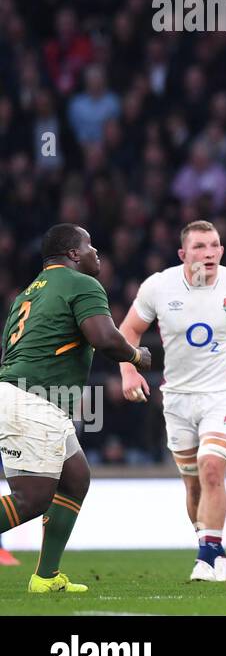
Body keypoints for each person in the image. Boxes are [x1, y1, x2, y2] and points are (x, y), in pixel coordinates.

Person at [119, 219, 226, 581]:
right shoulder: (159, 287)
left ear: (222, 251)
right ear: (183, 254)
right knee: (193, 483)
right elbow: (128, 330)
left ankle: (207, 556)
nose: (208, 252)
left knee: (212, 467)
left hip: (224, 394)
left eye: (214, 245)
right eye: (199, 246)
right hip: (178, 398)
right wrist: (129, 370)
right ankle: (212, 546)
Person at [0, 224, 152, 593]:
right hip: (33, 400)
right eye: (89, 245)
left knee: (75, 478)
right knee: (32, 497)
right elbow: (103, 338)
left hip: (27, 396)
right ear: (72, 253)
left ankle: (45, 577)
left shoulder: (27, 295)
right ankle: (45, 576)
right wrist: (136, 355)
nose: (96, 251)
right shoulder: (80, 283)